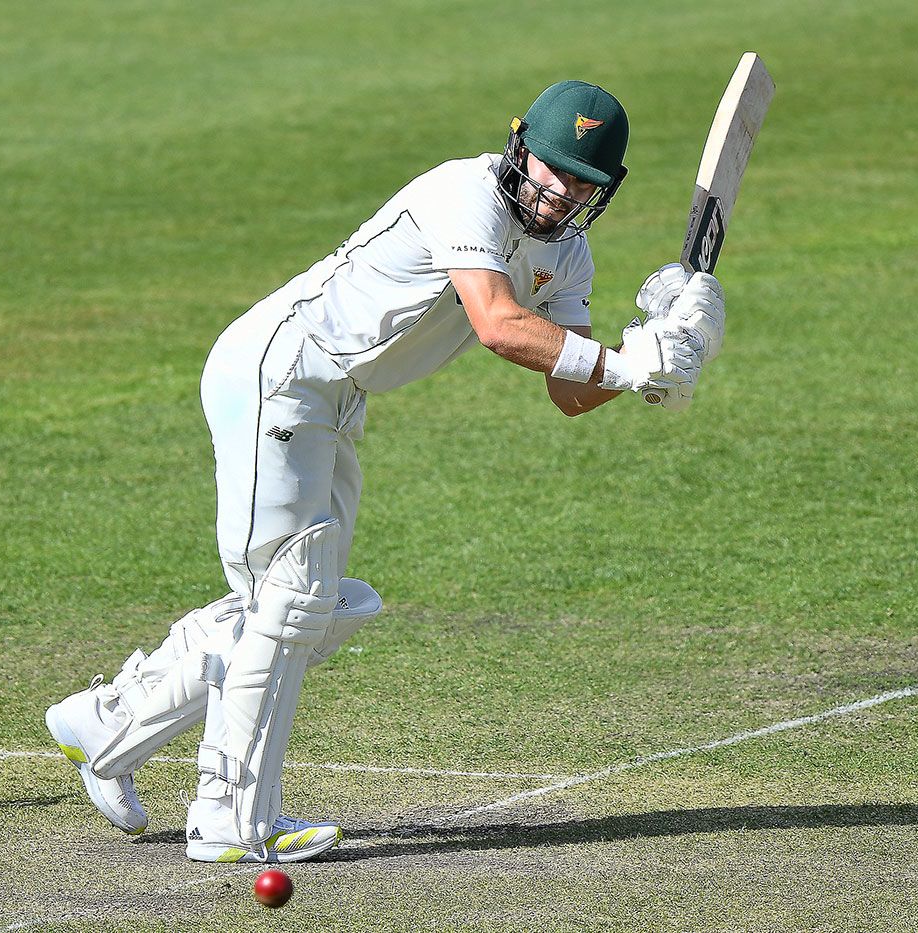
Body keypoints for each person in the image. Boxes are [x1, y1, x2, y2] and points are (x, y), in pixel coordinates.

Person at [44, 80, 726, 863]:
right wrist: (629, 361)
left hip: (337, 398)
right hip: (282, 369)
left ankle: (106, 724)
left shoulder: (567, 254)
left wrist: (663, 351)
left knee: (320, 606)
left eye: (583, 182)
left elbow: (570, 391)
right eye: (553, 168)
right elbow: (499, 325)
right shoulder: (461, 192)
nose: (561, 192)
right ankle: (228, 818)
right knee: (291, 599)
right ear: (520, 147)